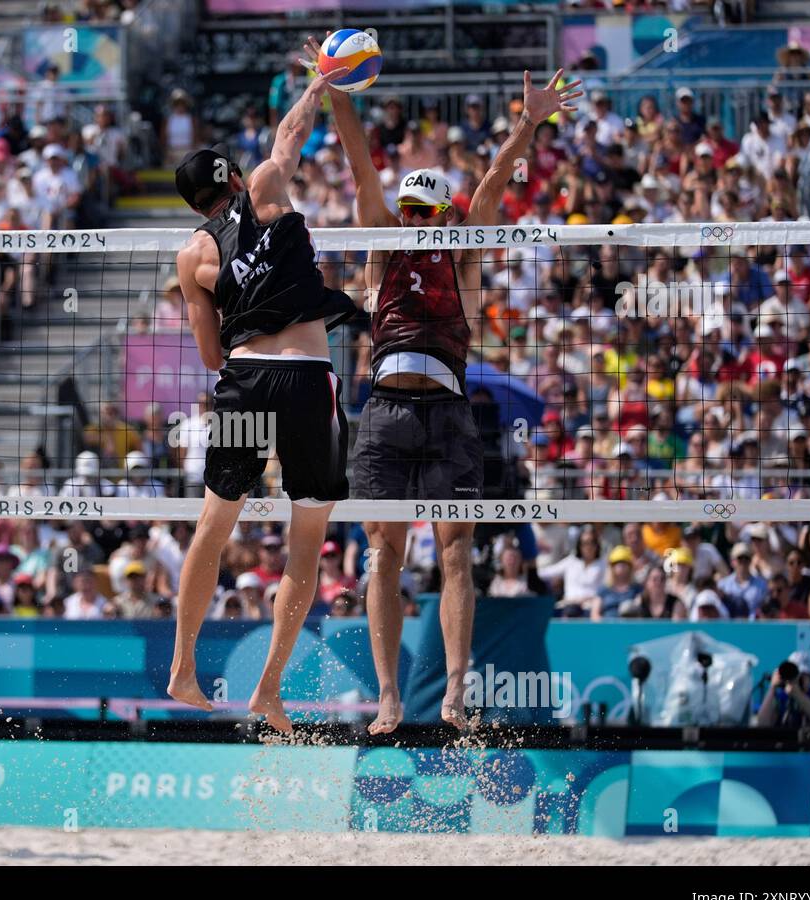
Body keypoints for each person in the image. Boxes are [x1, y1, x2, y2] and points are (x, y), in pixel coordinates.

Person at [324, 42, 582, 732]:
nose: (410, 217)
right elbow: (359, 167)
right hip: (384, 409)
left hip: (445, 412)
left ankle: (455, 690)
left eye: (421, 211)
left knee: (457, 553)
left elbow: (496, 182)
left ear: (441, 216)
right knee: (383, 553)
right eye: (406, 207)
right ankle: (388, 694)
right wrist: (337, 90)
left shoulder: (461, 252)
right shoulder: (382, 243)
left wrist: (528, 125)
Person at [166, 55, 359, 734]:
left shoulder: (191, 254)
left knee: (213, 529)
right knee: (306, 542)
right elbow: (290, 132)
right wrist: (319, 79)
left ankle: (183, 668)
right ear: (234, 178)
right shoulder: (270, 184)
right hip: (307, 381)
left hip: (245, 383)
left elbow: (210, 354)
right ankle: (268, 689)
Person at [754, 651, 810, 729]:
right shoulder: (780, 695)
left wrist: (797, 694)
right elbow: (763, 723)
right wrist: (772, 688)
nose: (796, 680)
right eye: (795, 676)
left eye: (802, 675)